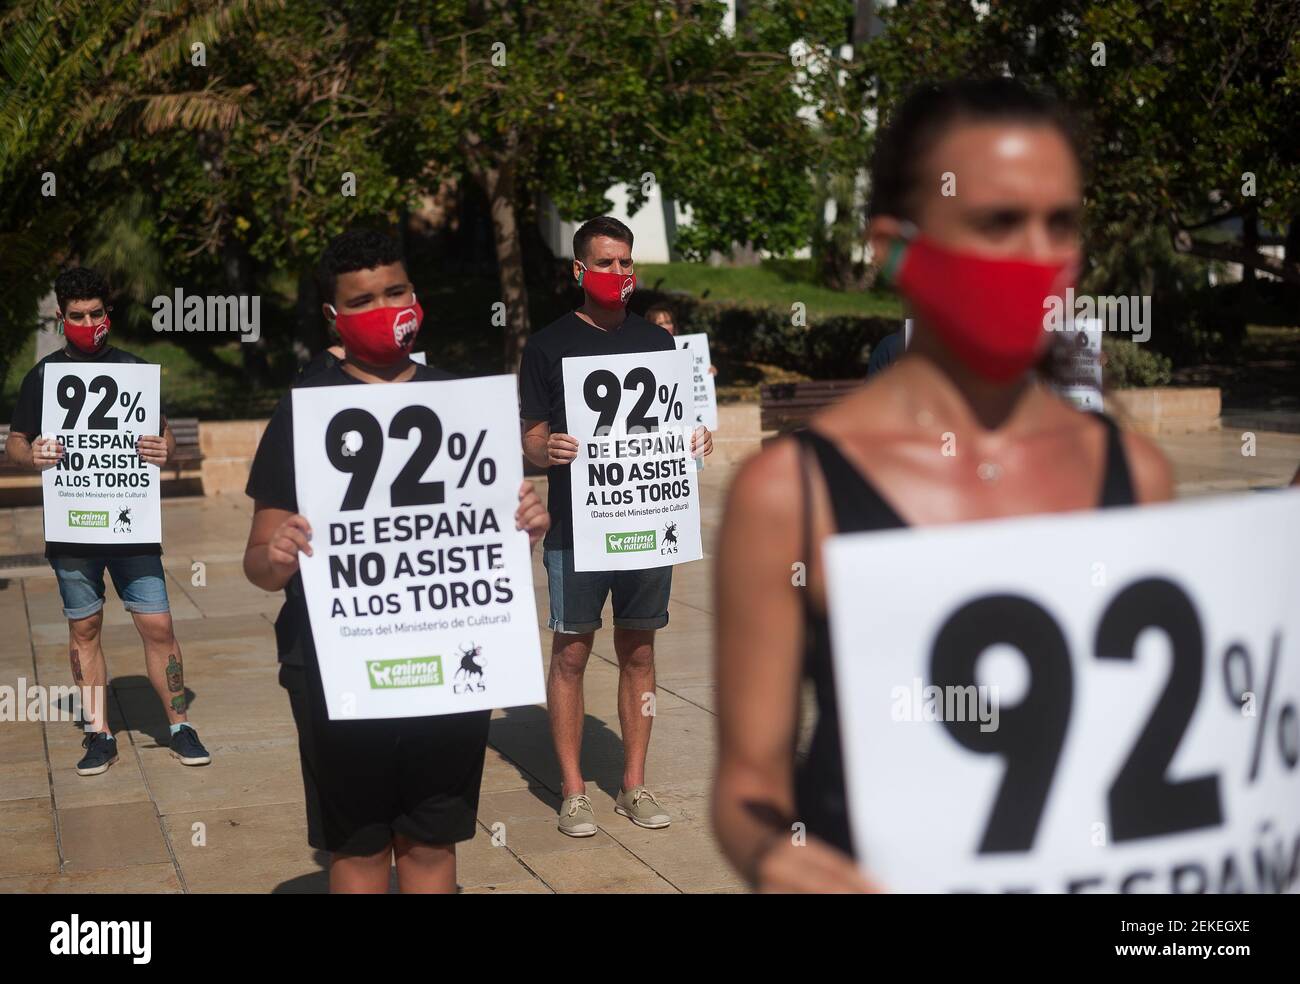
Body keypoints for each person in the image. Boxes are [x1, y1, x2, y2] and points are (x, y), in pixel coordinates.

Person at [712, 79, 1174, 892]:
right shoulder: (789, 493)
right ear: (895, 246)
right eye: (999, 221)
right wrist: (774, 855)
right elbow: (748, 784)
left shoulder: (1133, 472)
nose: (1039, 252)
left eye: (1060, 221)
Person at [242, 229, 549, 893]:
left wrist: (525, 521)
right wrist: (278, 553)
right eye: (362, 300)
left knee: (432, 843)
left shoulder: (462, 404)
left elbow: (488, 529)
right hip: (335, 667)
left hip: (449, 666)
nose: (385, 307)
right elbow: (258, 564)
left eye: (395, 290)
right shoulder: (303, 411)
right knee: (356, 850)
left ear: (416, 294)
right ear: (334, 317)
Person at [520, 216, 713, 836]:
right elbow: (529, 436)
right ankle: (574, 791)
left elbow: (673, 424)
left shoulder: (658, 346)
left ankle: (634, 784)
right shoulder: (546, 345)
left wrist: (695, 438)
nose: (619, 273)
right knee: (572, 652)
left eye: (627, 262)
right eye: (606, 263)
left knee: (640, 651)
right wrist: (545, 447)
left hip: (647, 522)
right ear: (580, 271)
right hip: (578, 530)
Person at [5, 267, 211, 776]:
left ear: (108, 314)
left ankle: (180, 726)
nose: (87, 322)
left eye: (96, 313)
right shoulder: (43, 377)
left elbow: (164, 435)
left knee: (158, 624)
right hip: (74, 525)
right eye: (77, 315)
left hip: (130, 526)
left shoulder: (136, 372)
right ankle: (98, 734)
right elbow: (15, 441)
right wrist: (31, 454)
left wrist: (167, 448)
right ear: (61, 317)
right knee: (86, 627)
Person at [646, 302, 717, 375]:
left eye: (668, 322)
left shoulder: (687, 344)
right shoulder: (645, 351)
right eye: (660, 324)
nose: (666, 327)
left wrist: (708, 371)